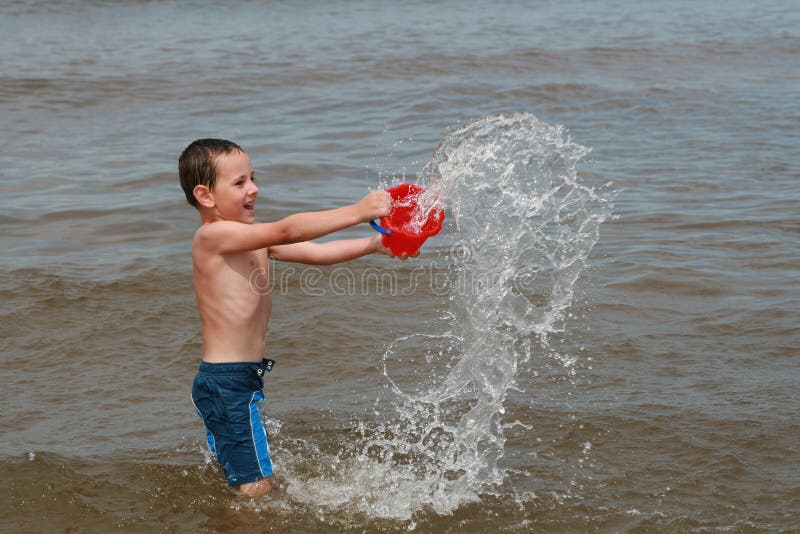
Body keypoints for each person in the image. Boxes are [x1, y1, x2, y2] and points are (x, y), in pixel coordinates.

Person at [178, 138, 407, 497]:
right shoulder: (213, 236)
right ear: (205, 196)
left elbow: (316, 252)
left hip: (239, 379)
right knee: (255, 488)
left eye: (252, 178)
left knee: (247, 476)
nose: (253, 188)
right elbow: (288, 229)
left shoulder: (251, 239)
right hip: (227, 383)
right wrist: (358, 211)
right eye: (239, 183)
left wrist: (374, 245)